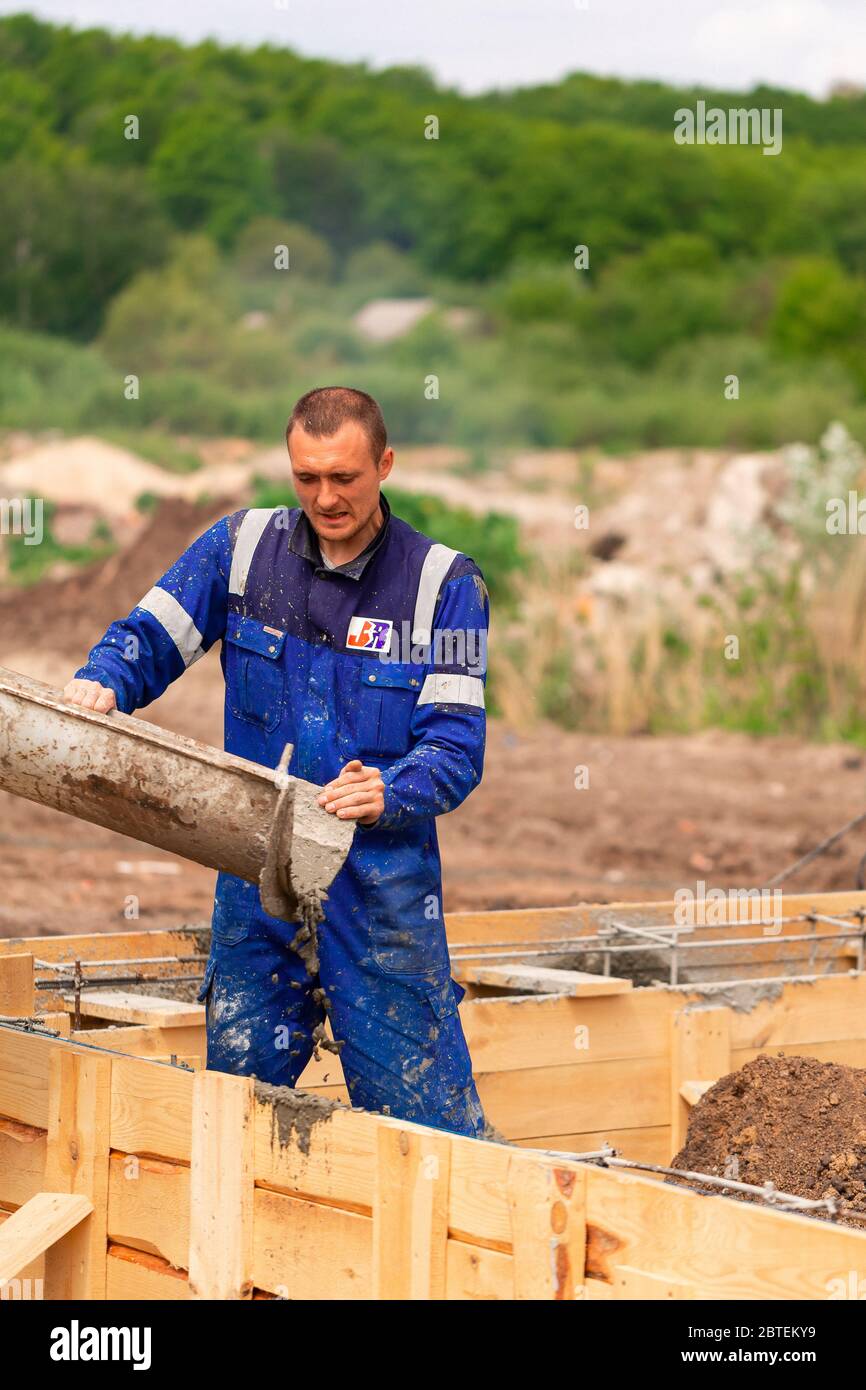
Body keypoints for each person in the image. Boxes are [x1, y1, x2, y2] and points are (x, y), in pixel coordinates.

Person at [64, 387, 489, 1137]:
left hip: (382, 892)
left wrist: (390, 787)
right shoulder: (239, 550)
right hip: (257, 880)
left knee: (429, 1137)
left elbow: (456, 748)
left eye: (346, 478)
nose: (326, 498)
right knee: (235, 1122)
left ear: (385, 464)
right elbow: (150, 637)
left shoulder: (443, 587)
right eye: (308, 478)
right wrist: (104, 680)